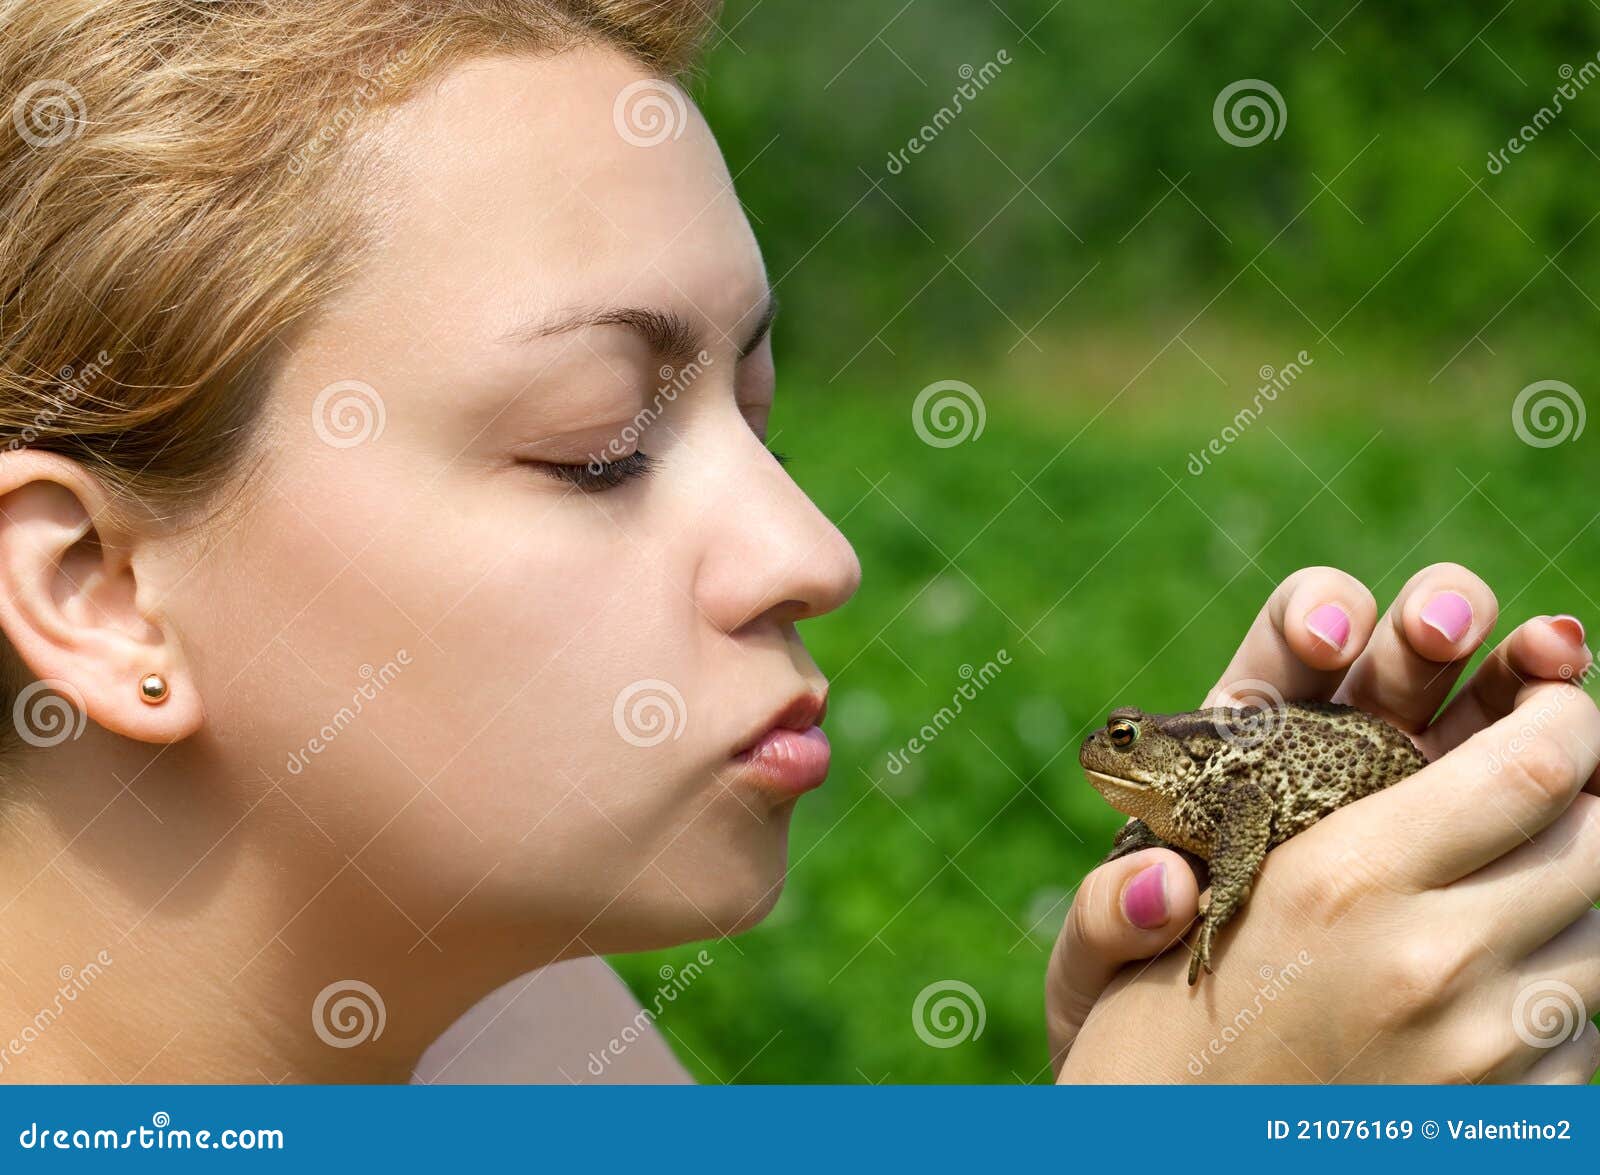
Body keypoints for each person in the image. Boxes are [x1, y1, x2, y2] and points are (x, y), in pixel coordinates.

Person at [0, 0, 1593, 1084]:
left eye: (759, 417)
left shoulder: (510, 1037)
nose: (813, 553)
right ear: (98, 591)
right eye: (597, 447)